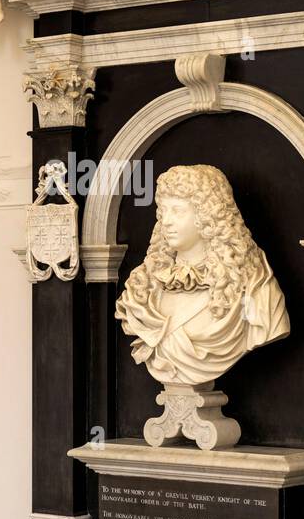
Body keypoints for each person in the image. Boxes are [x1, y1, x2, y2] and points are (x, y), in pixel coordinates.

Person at [115, 164, 289, 387]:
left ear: (207, 217)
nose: (166, 221)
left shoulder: (253, 285)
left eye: (177, 211)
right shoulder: (143, 287)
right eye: (163, 210)